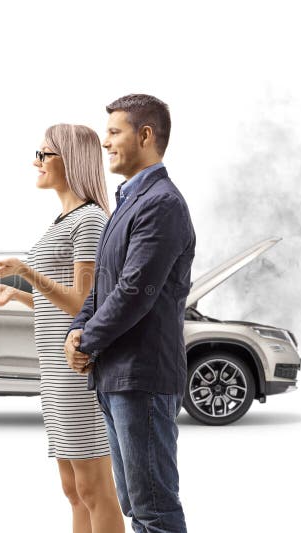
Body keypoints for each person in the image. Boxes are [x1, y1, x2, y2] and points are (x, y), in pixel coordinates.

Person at [0, 124, 124, 533]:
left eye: (44, 154)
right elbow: (63, 306)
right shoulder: (63, 220)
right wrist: (18, 294)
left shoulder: (89, 220)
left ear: (70, 159)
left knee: (95, 489)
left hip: (78, 372)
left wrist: (25, 271)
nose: (35, 162)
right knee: (74, 490)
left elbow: (84, 304)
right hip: (56, 373)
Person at [64, 94, 196, 533]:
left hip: (142, 377)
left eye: (114, 132)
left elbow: (134, 293)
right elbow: (102, 287)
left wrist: (87, 341)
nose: (105, 142)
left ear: (145, 136)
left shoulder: (162, 204)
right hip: (116, 375)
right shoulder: (128, 202)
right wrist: (77, 331)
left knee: (154, 508)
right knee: (136, 506)